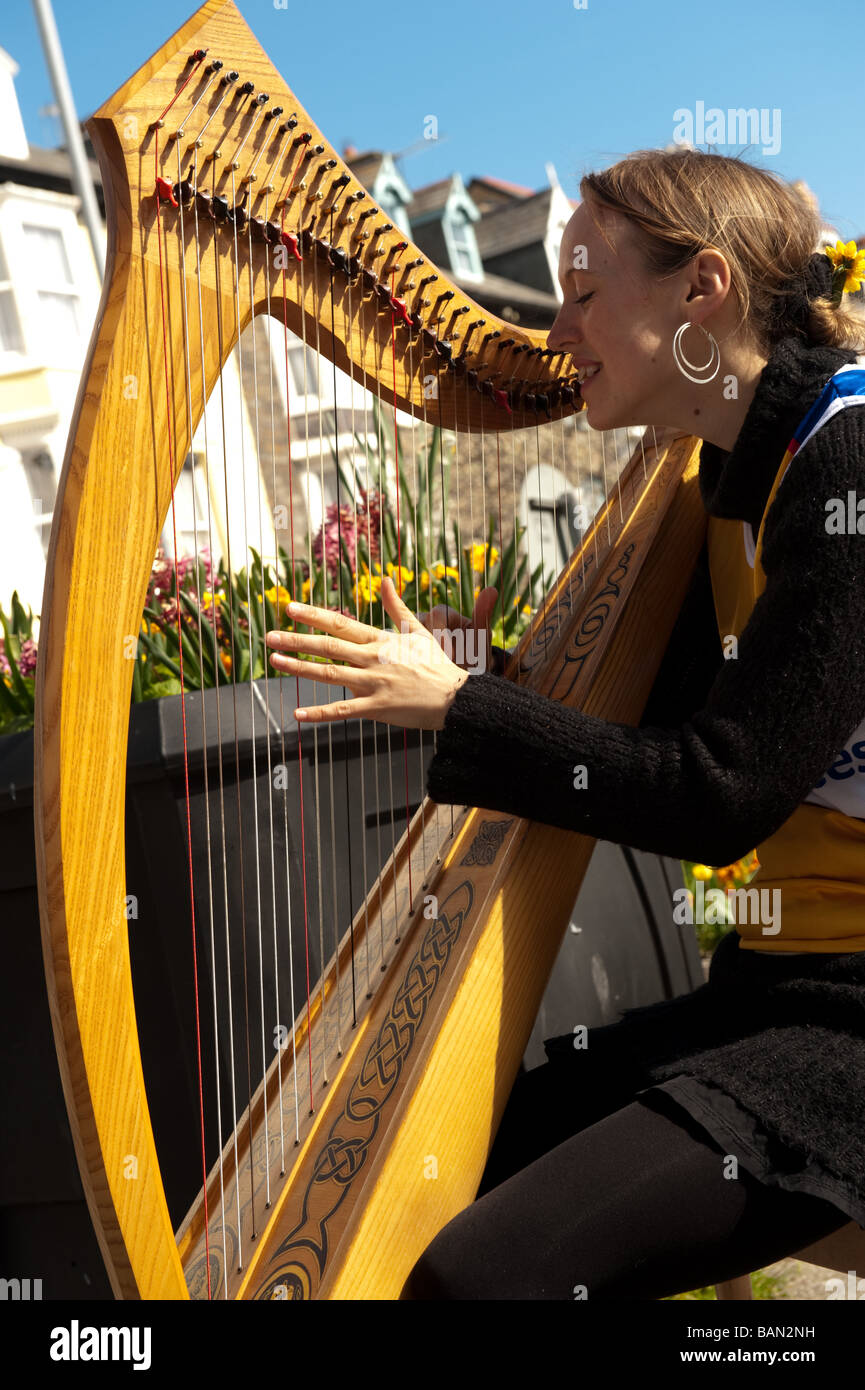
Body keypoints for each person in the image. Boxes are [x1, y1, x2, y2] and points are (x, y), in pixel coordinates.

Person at [265, 148, 865, 1300]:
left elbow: (715, 791)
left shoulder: (842, 463)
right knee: (470, 1155)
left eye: (583, 293)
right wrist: (474, 672)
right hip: (779, 988)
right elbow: (649, 713)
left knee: (487, 1273)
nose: (553, 333)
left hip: (848, 1021)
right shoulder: (725, 478)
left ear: (703, 291)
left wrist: (461, 707)